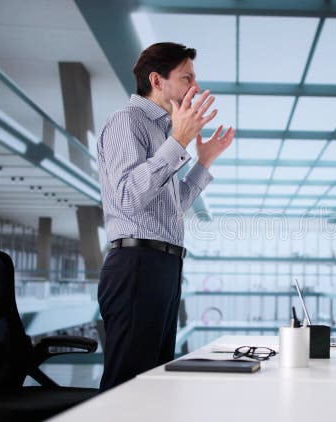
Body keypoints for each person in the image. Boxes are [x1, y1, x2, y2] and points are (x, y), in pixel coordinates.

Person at [96, 42, 235, 391]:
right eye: (187, 77)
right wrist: (178, 141)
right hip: (136, 264)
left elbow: (171, 207)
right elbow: (128, 197)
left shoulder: (163, 131)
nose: (196, 88)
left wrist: (202, 162)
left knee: (153, 383)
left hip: (163, 267)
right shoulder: (127, 121)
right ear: (157, 81)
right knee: (127, 385)